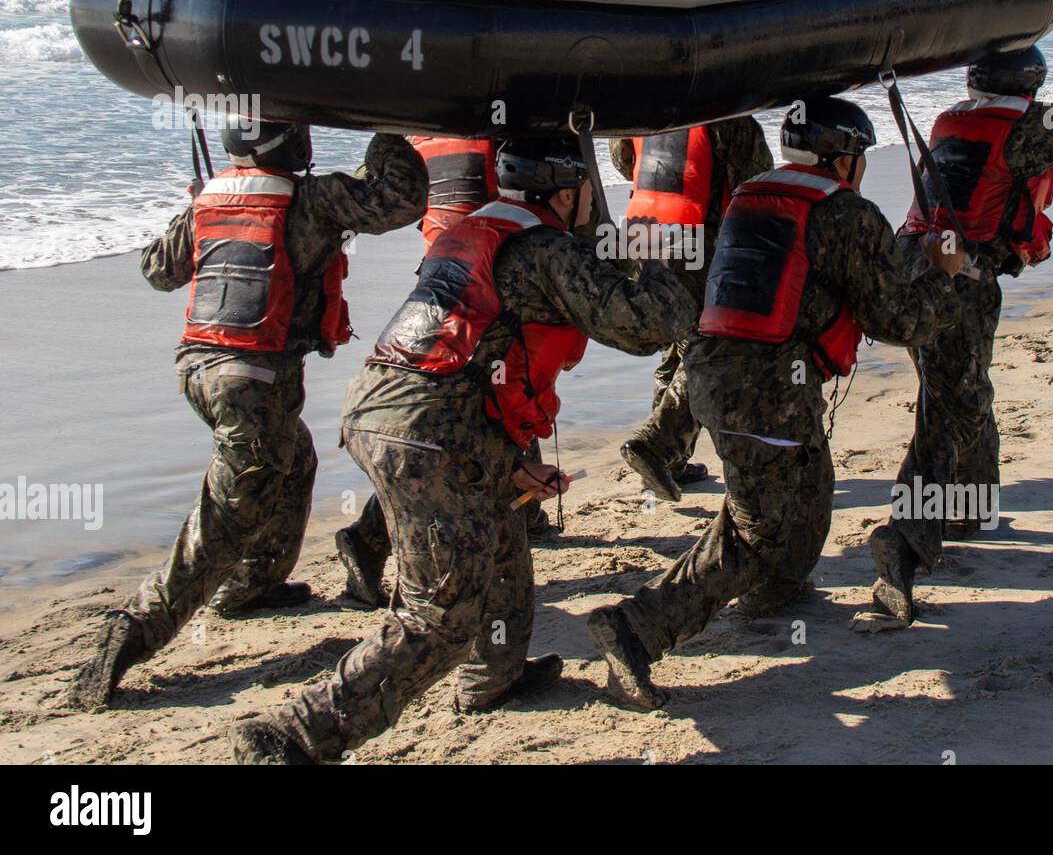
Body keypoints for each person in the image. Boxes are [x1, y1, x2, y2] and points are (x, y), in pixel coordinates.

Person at [229, 137, 696, 762]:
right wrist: (654, 252)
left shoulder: (480, 229)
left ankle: (493, 676)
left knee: (501, 526)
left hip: (391, 408)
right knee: (440, 617)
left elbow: (475, 356)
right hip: (425, 433)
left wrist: (507, 463)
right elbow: (647, 327)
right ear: (567, 192)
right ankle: (295, 735)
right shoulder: (546, 248)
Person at [588, 97, 964, 709]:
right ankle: (636, 628)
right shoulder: (845, 211)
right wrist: (943, 276)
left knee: (810, 482)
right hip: (762, 393)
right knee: (760, 530)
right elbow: (897, 318)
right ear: (846, 158)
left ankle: (778, 593)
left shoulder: (752, 191)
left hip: (710, 371)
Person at [65, 119, 427, 711]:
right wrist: (387, 131)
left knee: (295, 458)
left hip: (201, 372)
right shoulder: (311, 197)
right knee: (225, 518)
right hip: (253, 381)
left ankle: (255, 585)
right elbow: (400, 198)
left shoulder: (218, 194)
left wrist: (203, 205)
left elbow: (158, 269)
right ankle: (127, 634)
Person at [870, 46, 1053, 624]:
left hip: (909, 267)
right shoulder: (1031, 125)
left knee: (963, 389)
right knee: (952, 404)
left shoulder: (950, 119)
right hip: (960, 280)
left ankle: (972, 508)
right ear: (1032, 83)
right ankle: (905, 537)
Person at [334, 136, 554, 609]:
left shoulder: (421, 129)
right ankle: (373, 538)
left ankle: (523, 513)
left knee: (466, 410)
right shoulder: (503, 124)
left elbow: (375, 192)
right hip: (491, 272)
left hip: (442, 272)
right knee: (479, 409)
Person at [610, 118, 773, 502]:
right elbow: (755, 182)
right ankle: (658, 446)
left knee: (678, 345)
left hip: (642, 233)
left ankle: (672, 461)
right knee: (709, 350)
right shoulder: (731, 119)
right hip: (695, 240)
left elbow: (622, 160)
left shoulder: (642, 105)